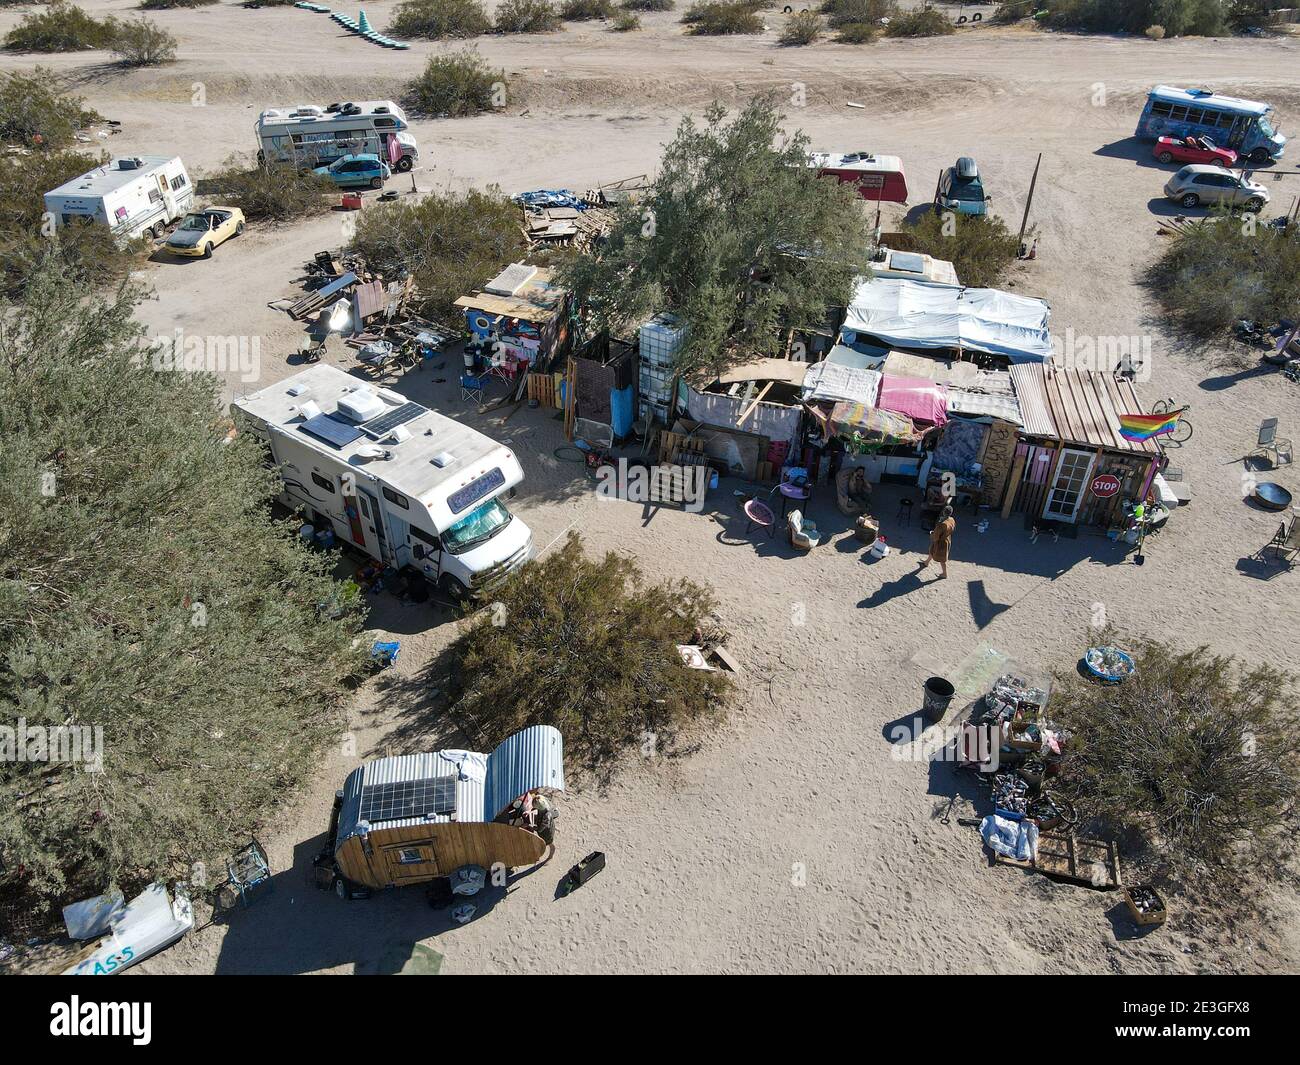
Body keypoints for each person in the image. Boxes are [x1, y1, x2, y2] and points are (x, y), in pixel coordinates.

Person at [920, 505, 955, 579]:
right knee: (932, 550)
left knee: (942, 559)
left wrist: (932, 534)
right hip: (947, 539)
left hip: (941, 543)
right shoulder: (952, 520)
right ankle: (926, 562)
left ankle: (944, 574)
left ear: (943, 512)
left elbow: (936, 536)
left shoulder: (942, 524)